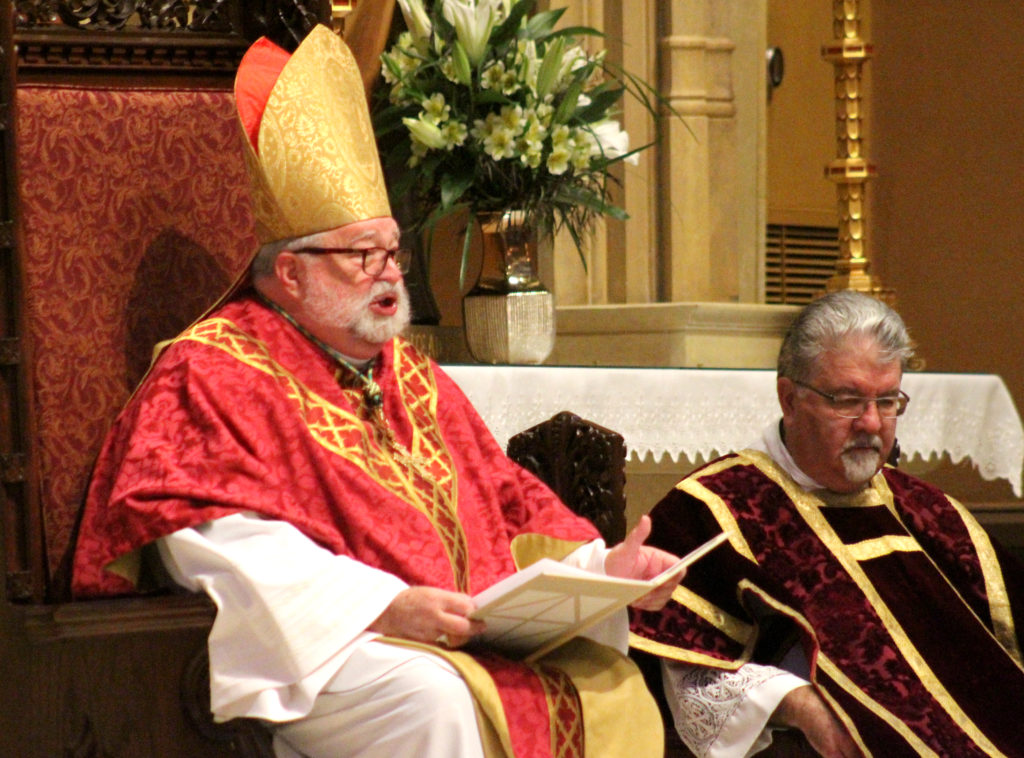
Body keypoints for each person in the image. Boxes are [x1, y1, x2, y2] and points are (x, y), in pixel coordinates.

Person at [70, 25, 681, 758]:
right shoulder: (214, 372)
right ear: (290, 274)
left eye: (393, 251)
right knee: (435, 702)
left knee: (609, 685)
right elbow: (206, 539)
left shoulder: (414, 379)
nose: (391, 275)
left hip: (450, 630)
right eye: (363, 256)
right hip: (319, 643)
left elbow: (507, 507)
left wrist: (602, 572)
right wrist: (384, 606)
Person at [630, 290, 1024, 758]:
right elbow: (689, 672)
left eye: (888, 400)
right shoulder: (715, 509)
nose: (872, 423)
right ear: (789, 398)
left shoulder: (929, 513)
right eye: (847, 400)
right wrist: (795, 702)